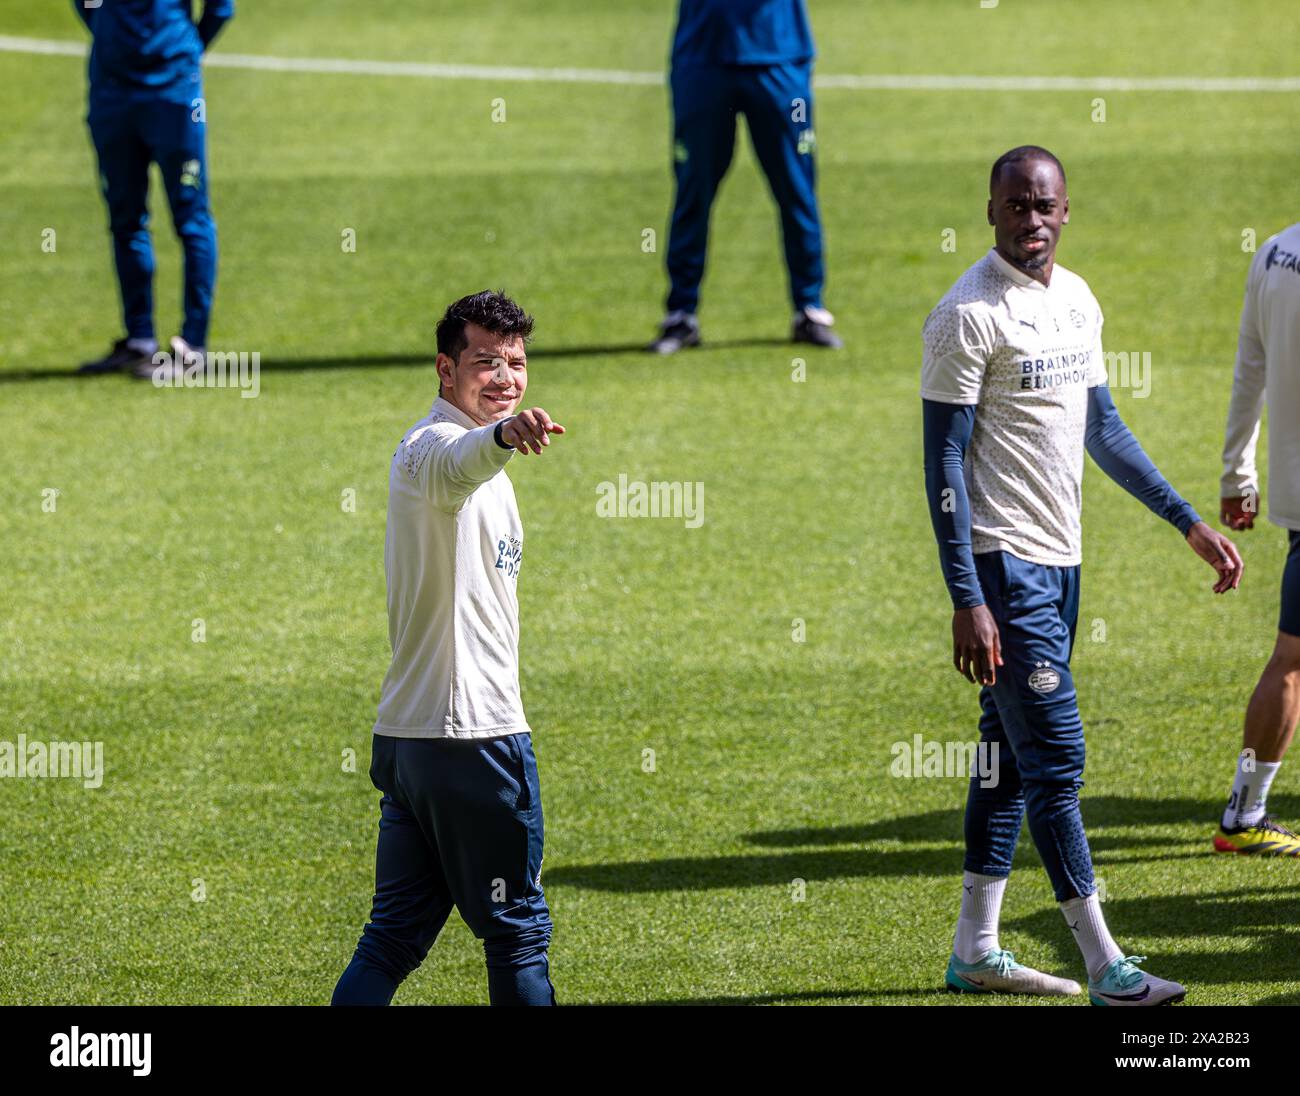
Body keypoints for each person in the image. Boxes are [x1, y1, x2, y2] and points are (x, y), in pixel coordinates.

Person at [921, 146, 1243, 1005]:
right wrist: (967, 597)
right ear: (991, 210)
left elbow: (1103, 429)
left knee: (1007, 760)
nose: (1031, 219)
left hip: (1061, 562)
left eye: (1045, 205)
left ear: (1067, 211)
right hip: (1002, 565)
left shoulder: (1076, 299)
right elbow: (943, 463)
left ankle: (976, 951)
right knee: (1057, 760)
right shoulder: (967, 314)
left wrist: (1187, 522)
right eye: (1015, 205)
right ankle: (1106, 965)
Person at [332, 291, 564, 1006]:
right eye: (485, 362)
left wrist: (497, 443)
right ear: (445, 368)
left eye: (516, 363)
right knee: (517, 934)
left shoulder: (464, 460)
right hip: (475, 741)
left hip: (410, 746)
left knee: (392, 938)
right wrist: (501, 436)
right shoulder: (433, 450)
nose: (504, 378)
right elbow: (460, 460)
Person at [648, 0, 841, 354]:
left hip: (779, 53)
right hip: (703, 56)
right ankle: (680, 314)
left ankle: (810, 309)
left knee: (797, 190)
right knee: (693, 190)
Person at [73, 0, 232, 378]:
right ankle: (140, 340)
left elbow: (221, 7)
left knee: (191, 217)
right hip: (112, 93)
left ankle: (193, 347)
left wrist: (184, 49)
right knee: (125, 218)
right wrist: (111, 37)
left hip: (174, 94)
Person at [1216, 222, 1300, 856]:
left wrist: (1237, 474)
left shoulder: (1274, 250)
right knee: (1291, 660)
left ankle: (1246, 810)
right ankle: (1245, 815)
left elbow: (1251, 367)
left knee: (1292, 659)